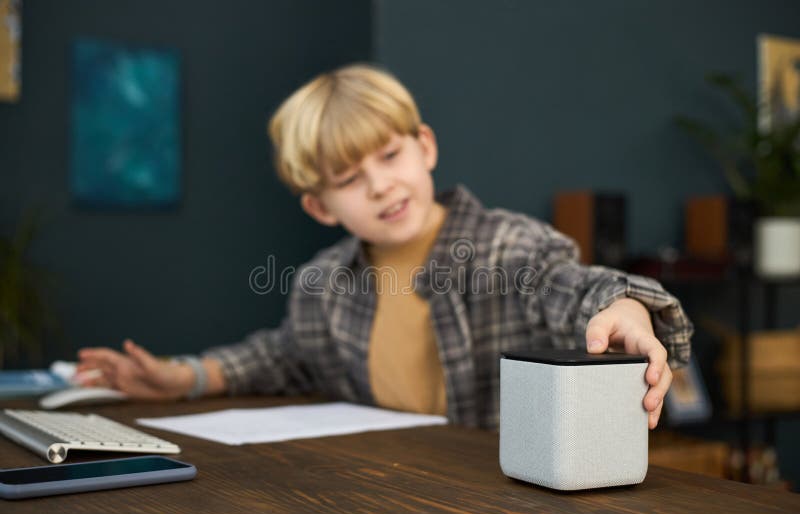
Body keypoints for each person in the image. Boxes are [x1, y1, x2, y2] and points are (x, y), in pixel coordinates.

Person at [77, 64, 693, 429]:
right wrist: (180, 377)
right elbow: (285, 358)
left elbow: (576, 287)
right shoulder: (322, 286)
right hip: (383, 491)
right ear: (320, 206)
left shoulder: (507, 245)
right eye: (348, 180)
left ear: (424, 147)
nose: (380, 186)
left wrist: (626, 306)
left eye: (391, 156)